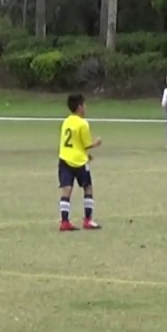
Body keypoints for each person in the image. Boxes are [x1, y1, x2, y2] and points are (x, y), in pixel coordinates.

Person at [57, 93, 102, 231]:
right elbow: (86, 144)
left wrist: (86, 155)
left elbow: (73, 143)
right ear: (80, 107)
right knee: (88, 188)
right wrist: (97, 142)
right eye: (84, 105)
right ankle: (88, 220)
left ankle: (64, 221)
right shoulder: (83, 124)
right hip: (79, 162)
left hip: (64, 159)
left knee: (66, 190)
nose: (86, 108)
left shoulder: (66, 121)